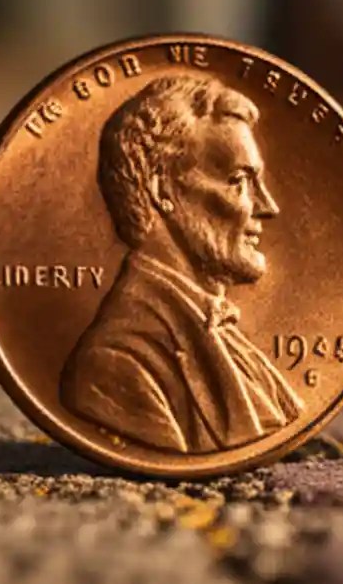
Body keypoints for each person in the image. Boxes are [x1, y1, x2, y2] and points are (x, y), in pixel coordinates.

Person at [60, 70, 303, 453]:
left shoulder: (228, 338)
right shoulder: (116, 363)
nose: (267, 206)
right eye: (238, 181)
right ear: (162, 189)